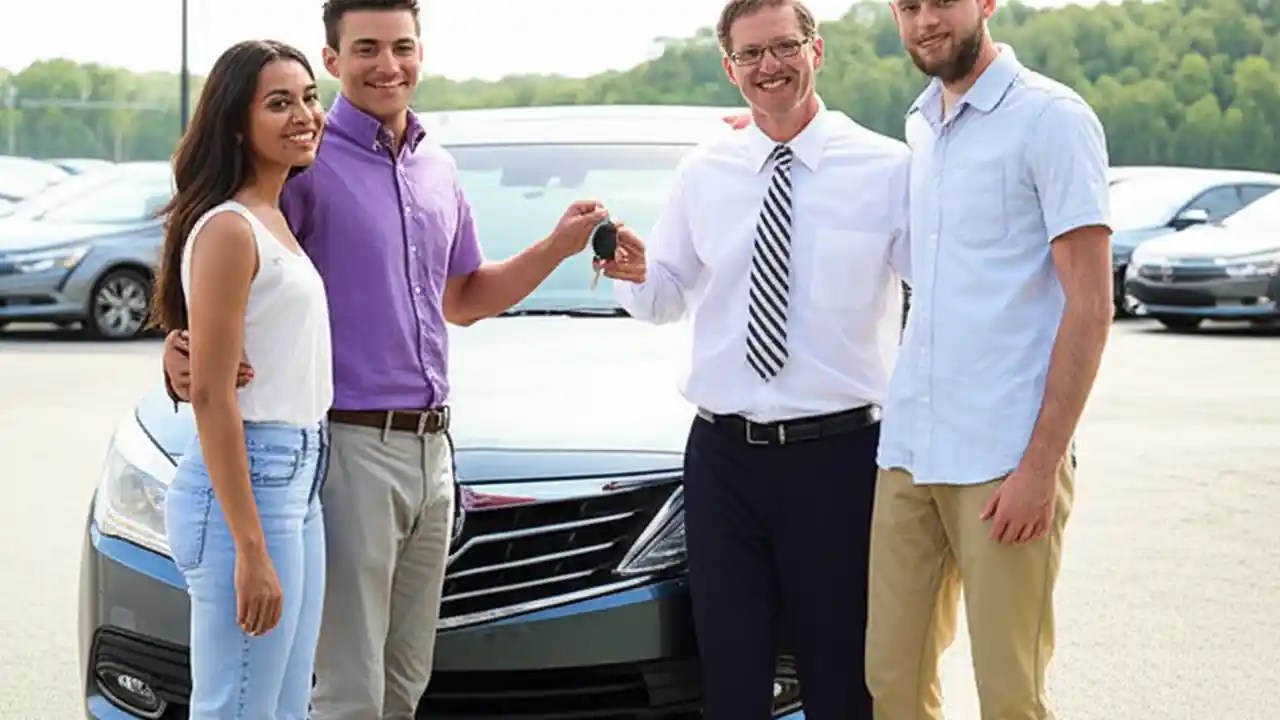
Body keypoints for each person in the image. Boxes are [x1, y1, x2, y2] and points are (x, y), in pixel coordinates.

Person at [160, 1, 609, 718]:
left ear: (421, 53)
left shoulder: (437, 165)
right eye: (365, 48)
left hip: (433, 452)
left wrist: (556, 246)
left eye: (401, 46)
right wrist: (179, 354)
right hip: (344, 447)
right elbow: (229, 277)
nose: (386, 65)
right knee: (345, 686)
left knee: (403, 680)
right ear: (334, 58)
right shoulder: (301, 160)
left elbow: (463, 296)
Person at [600, 1, 909, 717]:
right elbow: (666, 296)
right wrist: (635, 271)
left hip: (841, 457)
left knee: (841, 673)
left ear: (817, 50)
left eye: (783, 47)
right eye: (750, 55)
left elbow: (945, 294)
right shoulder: (705, 170)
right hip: (723, 458)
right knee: (731, 674)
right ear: (728, 67)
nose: (769, 67)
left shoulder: (887, 168)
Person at [865, 0, 1113, 717]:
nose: (922, 23)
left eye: (939, 2)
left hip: (1007, 459)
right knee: (892, 683)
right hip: (910, 452)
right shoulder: (920, 126)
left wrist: (1040, 467)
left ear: (986, 4)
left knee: (1010, 694)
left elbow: (1091, 307)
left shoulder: (1052, 120)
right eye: (906, 8)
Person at [151, 39, 332, 719]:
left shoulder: (273, 219)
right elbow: (210, 391)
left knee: (283, 708)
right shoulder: (230, 227)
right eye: (279, 103)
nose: (303, 115)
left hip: (300, 480)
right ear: (236, 123)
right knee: (237, 708)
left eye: (309, 97)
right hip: (250, 486)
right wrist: (251, 548)